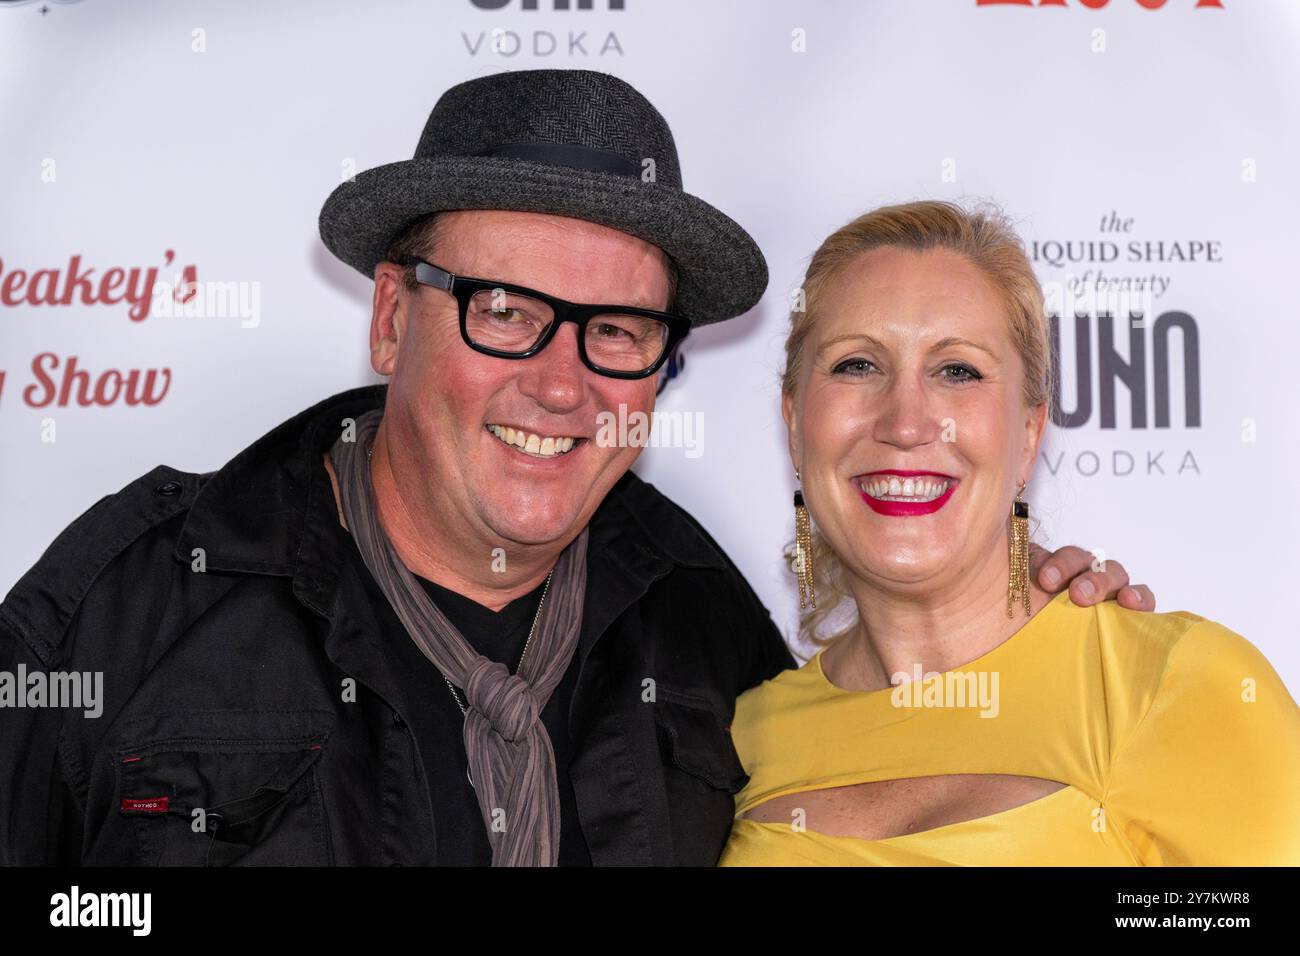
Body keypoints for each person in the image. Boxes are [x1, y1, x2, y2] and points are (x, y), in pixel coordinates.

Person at [0, 71, 1149, 867]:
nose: (561, 384)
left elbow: (908, 772)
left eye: (614, 328)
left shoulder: (704, 630)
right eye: (504, 309)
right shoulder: (130, 609)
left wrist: (1018, 619)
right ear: (393, 318)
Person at [720, 200, 1300, 866]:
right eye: (857, 365)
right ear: (795, 422)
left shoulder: (1173, 688)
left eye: (957, 371)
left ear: (1029, 434)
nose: (907, 423)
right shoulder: (742, 736)